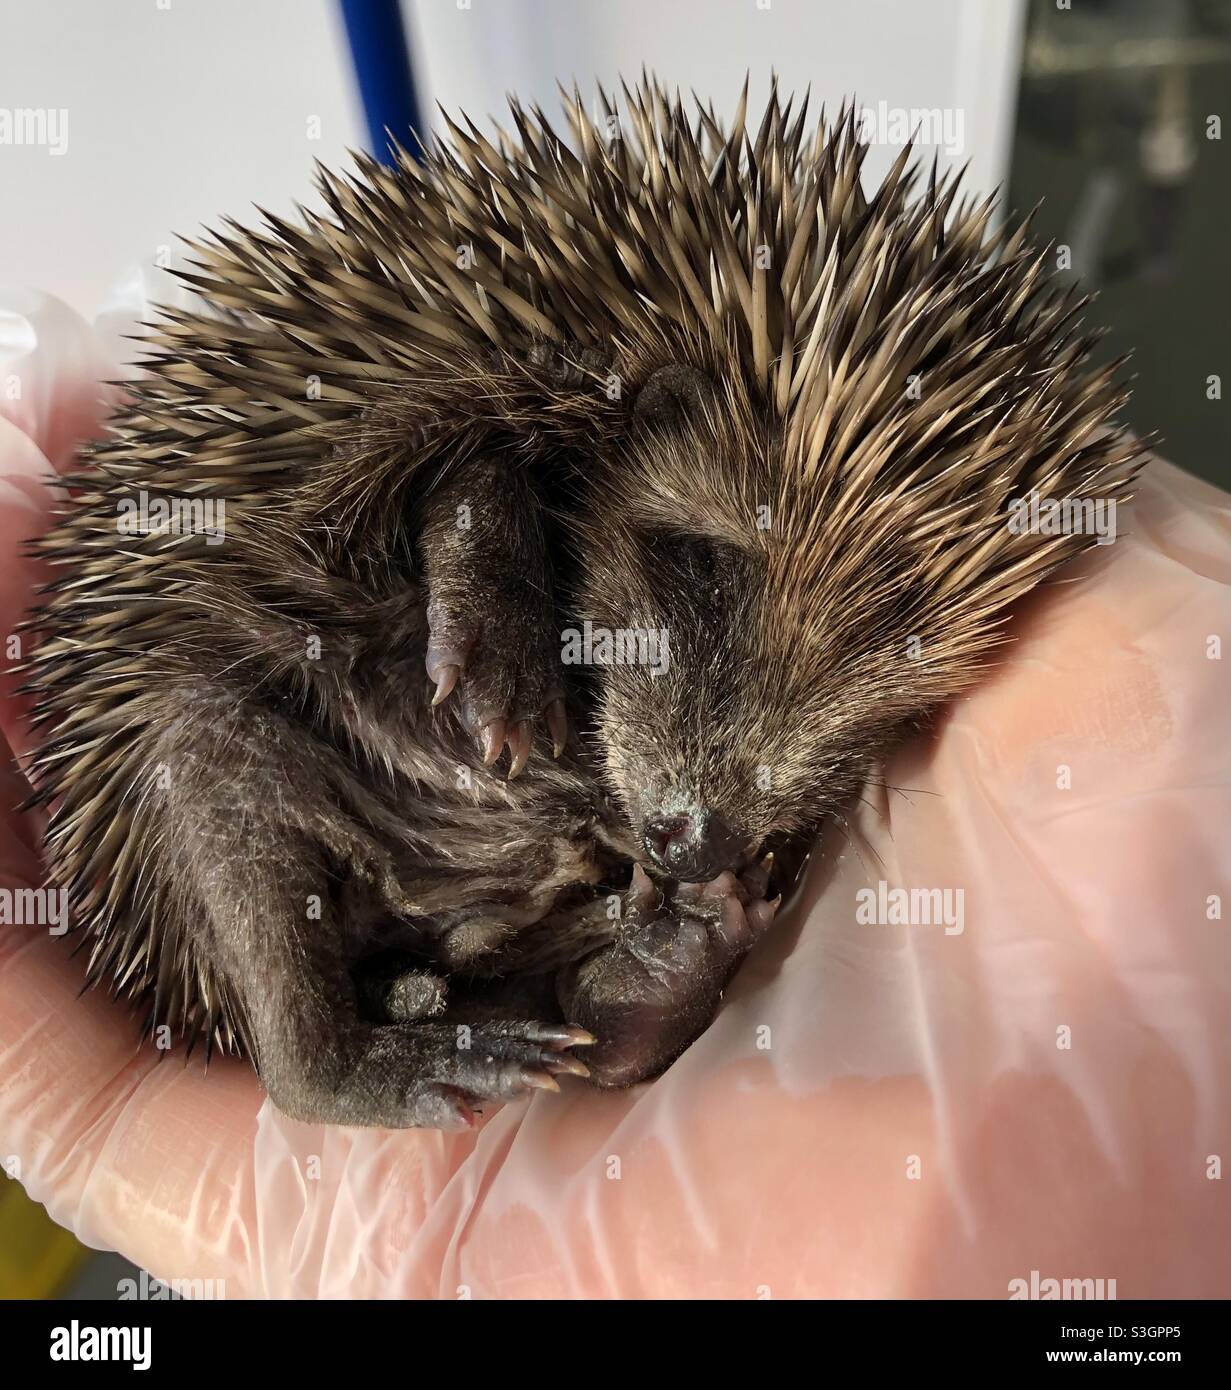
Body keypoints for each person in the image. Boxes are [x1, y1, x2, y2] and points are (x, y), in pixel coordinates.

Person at [0, 290, 1227, 1299]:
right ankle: (314, 1043)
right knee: (205, 731)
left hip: (488, 891)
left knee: (635, 923)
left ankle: (590, 989)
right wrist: (483, 559)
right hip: (290, 733)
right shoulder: (517, 411)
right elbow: (437, 456)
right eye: (703, 580)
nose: (697, 804)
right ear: (655, 409)